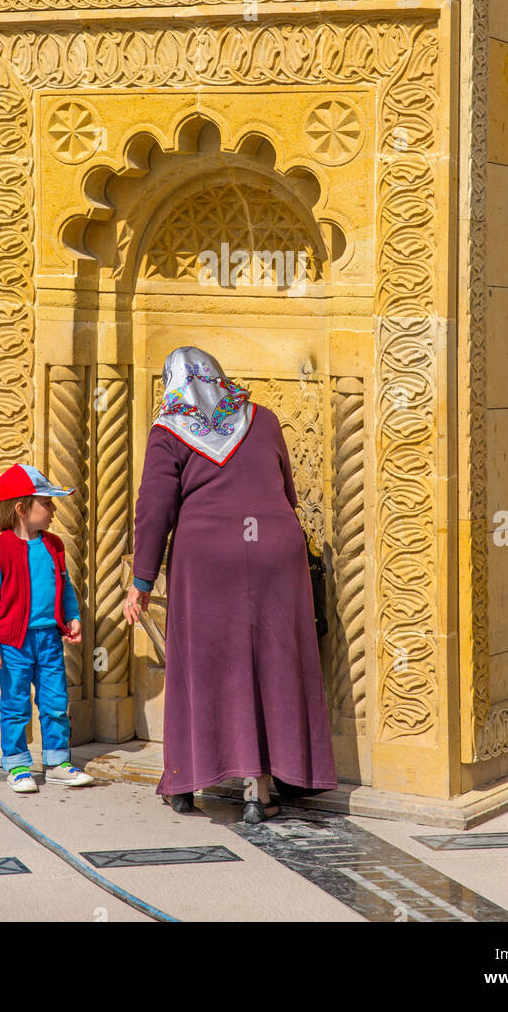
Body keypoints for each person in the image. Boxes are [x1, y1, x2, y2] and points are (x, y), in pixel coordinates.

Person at [124, 346, 337, 823]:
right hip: (276, 553)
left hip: (207, 561)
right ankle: (259, 791)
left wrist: (141, 580)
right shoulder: (262, 418)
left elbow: (154, 511)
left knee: (200, 665)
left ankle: (185, 780)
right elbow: (287, 491)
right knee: (271, 664)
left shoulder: (168, 432)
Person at [0, 463, 95, 793]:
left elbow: (65, 585)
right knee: (15, 705)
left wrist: (72, 617)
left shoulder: (55, 545)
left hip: (49, 640)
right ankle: (16, 763)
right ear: (21, 509)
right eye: (47, 502)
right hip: (13, 644)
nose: (54, 508)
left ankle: (57, 762)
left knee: (56, 702)